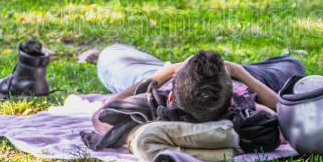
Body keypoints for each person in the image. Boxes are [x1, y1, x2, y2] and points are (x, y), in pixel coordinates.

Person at [82, 44, 305, 134]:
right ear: (231, 101)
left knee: (111, 54)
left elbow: (104, 111)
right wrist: (238, 73)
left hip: (162, 75)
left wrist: (167, 73)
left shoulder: (157, 98)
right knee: (292, 64)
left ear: (171, 94)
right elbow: (285, 114)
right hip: (242, 78)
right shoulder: (243, 106)